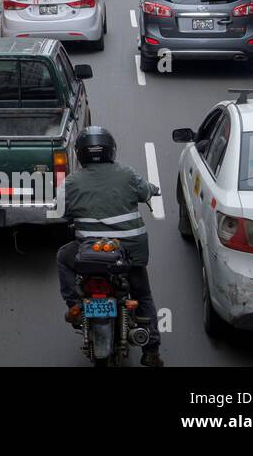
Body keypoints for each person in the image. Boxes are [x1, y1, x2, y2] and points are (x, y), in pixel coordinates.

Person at [56, 126, 164, 367]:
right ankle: (151, 351)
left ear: (80, 154)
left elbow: (58, 210)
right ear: (111, 150)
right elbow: (147, 190)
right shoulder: (127, 173)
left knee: (63, 257)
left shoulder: (72, 182)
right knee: (142, 294)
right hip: (128, 252)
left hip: (89, 254)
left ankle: (74, 306)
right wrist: (153, 191)